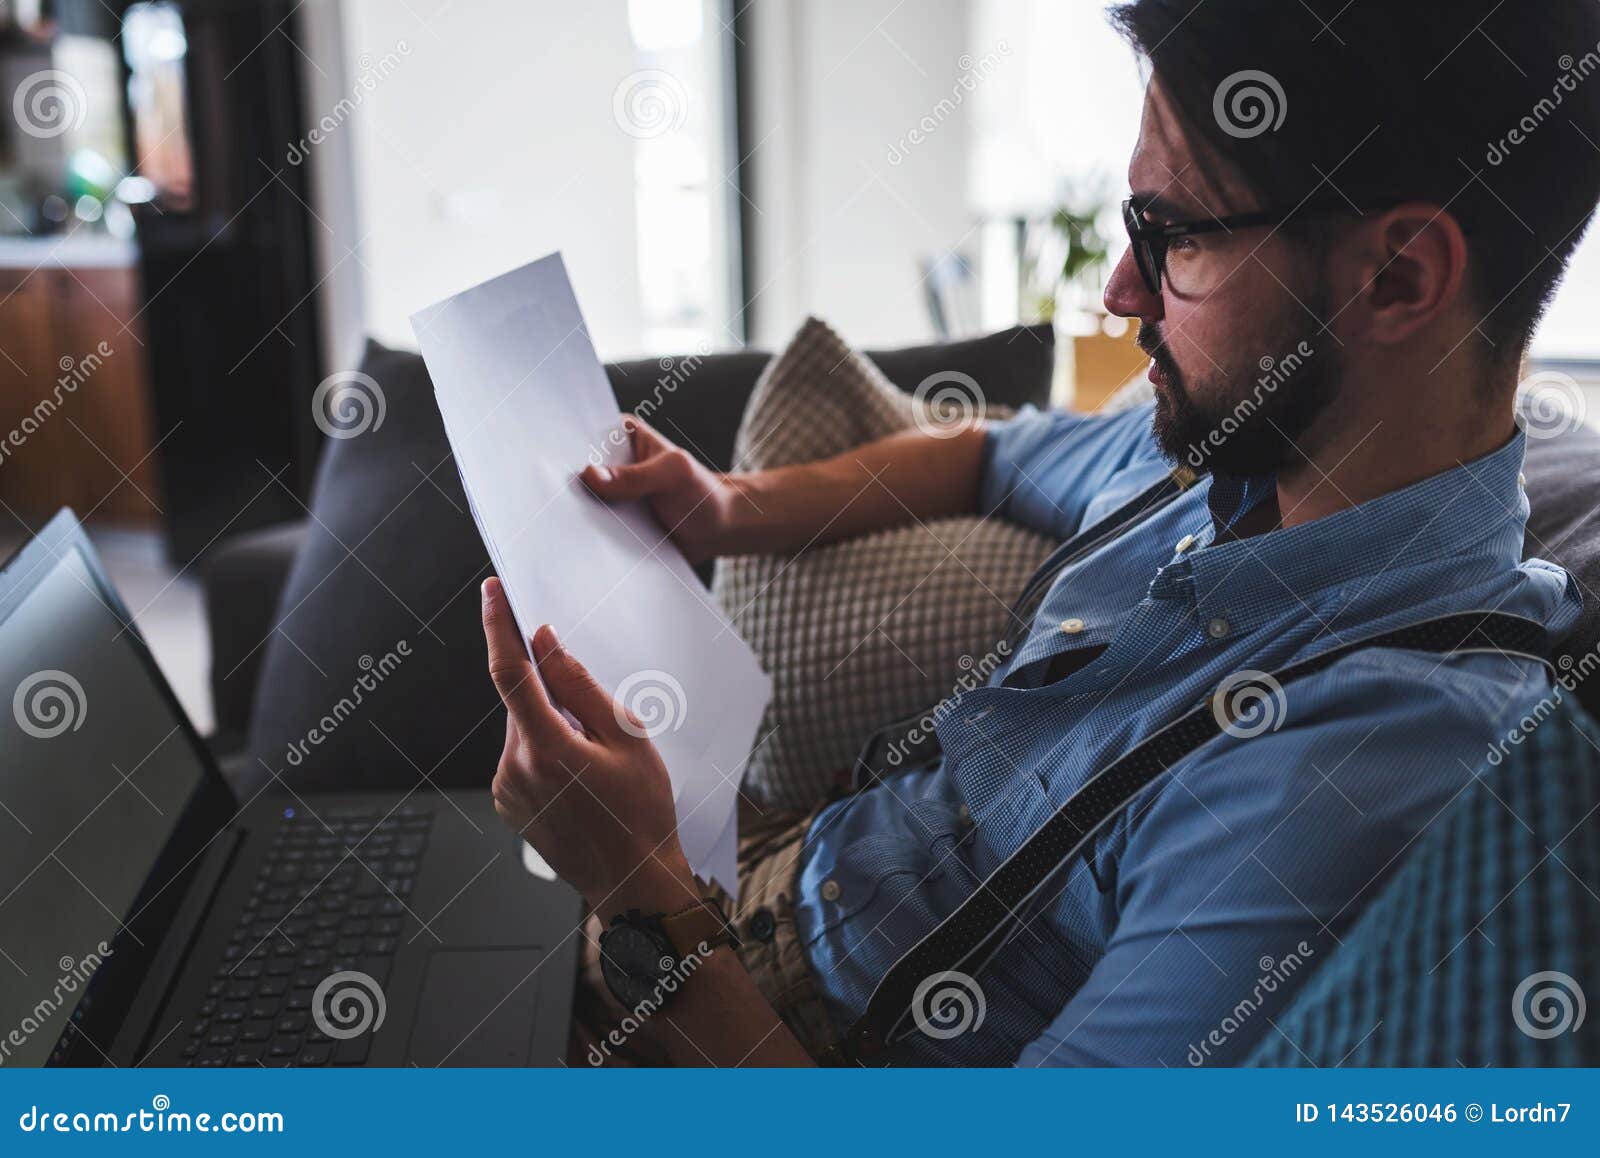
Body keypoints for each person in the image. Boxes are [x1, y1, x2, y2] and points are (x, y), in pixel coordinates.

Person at [481, 0, 1600, 1066]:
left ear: (1395, 277)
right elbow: (986, 454)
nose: (1119, 291)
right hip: (753, 876)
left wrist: (633, 883)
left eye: (1173, 237)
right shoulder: (1224, 451)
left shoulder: (1361, 764)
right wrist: (728, 507)